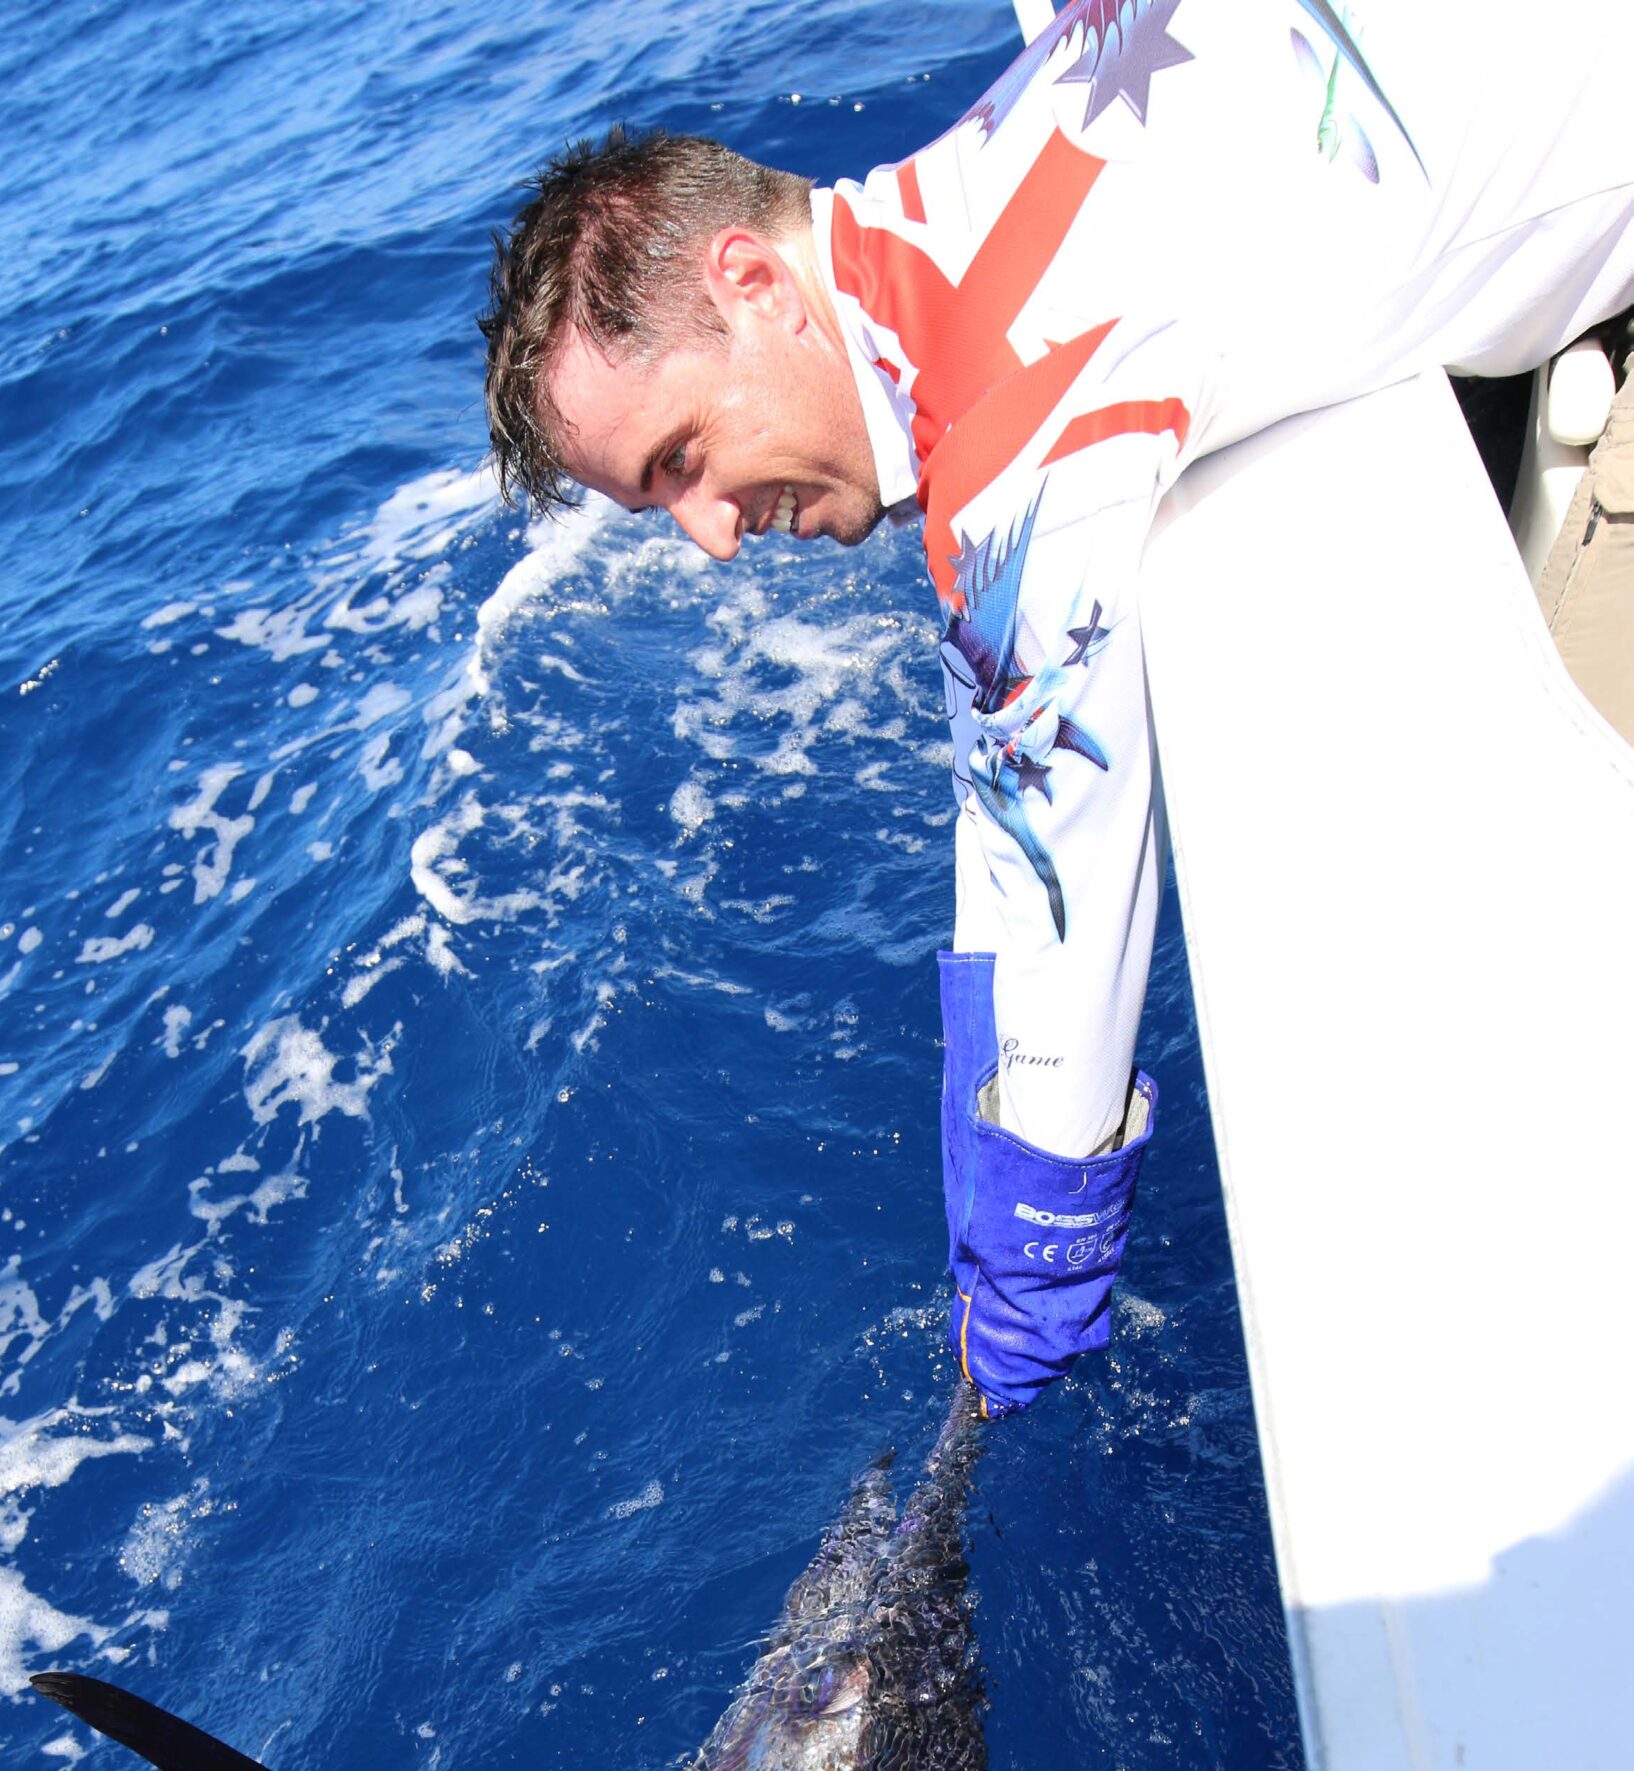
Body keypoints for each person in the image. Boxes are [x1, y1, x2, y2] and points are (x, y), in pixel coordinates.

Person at [479, 0, 1634, 1417]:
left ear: (753, 284)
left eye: (679, 461)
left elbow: (1060, 893)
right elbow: (1002, 781)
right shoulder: (1003, 134)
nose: (710, 537)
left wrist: (1016, 1331)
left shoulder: (1017, 439)